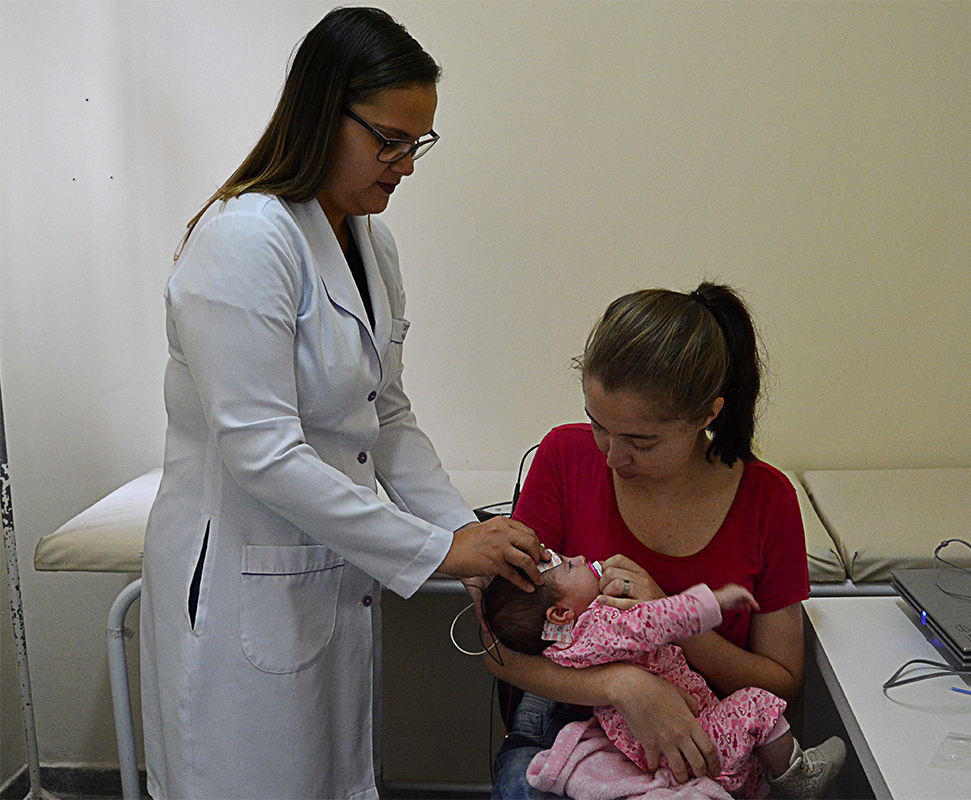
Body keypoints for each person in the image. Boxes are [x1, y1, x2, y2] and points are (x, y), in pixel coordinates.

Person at [139, 8, 544, 799]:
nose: (406, 164)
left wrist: (463, 531)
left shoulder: (368, 240)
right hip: (238, 586)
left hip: (319, 575)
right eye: (389, 140)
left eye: (418, 143)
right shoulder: (245, 240)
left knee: (331, 776)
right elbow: (261, 450)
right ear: (324, 113)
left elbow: (384, 415)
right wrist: (431, 551)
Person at [486, 282, 846, 799]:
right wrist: (623, 686)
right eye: (599, 426)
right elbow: (501, 644)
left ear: (707, 415)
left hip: (705, 724)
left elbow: (781, 683)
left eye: (641, 441)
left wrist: (674, 621)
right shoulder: (564, 457)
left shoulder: (766, 499)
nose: (611, 457)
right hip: (566, 715)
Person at [483, 553, 842, 798]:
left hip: (644, 745)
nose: (580, 557)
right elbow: (654, 620)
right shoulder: (601, 622)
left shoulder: (560, 645)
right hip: (682, 730)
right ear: (560, 612)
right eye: (569, 566)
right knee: (756, 704)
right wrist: (714, 602)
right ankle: (799, 778)